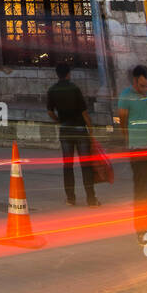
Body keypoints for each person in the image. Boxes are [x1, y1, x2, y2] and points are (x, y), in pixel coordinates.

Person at [117, 64, 147, 241]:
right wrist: (129, 141)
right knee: (142, 191)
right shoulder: (126, 96)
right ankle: (142, 229)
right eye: (142, 86)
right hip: (138, 149)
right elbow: (123, 120)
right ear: (135, 81)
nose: (146, 89)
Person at [46, 62, 100, 207]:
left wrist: (59, 120)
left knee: (68, 165)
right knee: (85, 164)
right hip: (80, 129)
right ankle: (91, 198)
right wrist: (90, 129)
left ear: (57, 75)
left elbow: (50, 111)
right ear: (69, 74)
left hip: (65, 130)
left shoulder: (52, 90)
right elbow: (84, 112)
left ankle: (71, 198)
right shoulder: (74, 89)